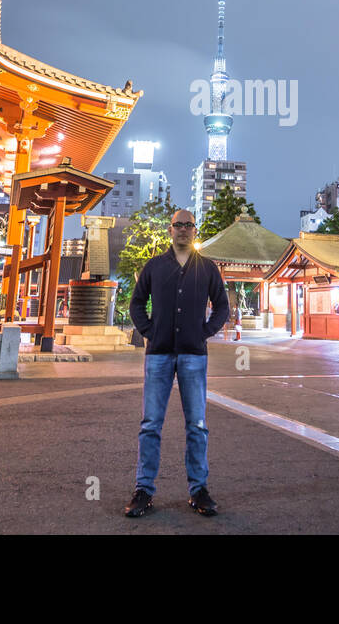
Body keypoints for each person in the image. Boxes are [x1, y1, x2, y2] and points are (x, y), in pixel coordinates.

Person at [124, 209, 230, 518]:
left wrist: (205, 331)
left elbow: (222, 306)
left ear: (195, 230)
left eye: (188, 225)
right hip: (158, 353)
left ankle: (199, 489)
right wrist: (148, 330)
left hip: (193, 355)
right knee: (150, 424)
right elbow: (136, 303)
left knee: (197, 425)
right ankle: (143, 490)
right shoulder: (155, 266)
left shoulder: (207, 268)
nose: (183, 229)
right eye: (178, 224)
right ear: (170, 230)